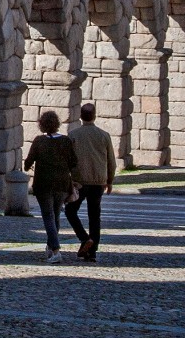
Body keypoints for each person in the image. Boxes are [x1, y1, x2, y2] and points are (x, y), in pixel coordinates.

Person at [24, 112, 78, 262]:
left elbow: (28, 161)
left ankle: (55, 250)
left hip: (44, 184)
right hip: (62, 183)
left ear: (41, 124)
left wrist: (27, 166)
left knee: (48, 215)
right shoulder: (66, 141)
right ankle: (50, 247)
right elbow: (74, 162)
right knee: (55, 215)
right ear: (57, 123)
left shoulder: (39, 141)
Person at [66, 102, 116, 262]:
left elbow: (68, 160)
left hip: (79, 181)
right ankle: (92, 252)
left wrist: (69, 179)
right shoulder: (104, 135)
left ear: (80, 116)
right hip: (98, 181)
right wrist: (109, 180)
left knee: (70, 211)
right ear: (94, 116)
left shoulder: (73, 135)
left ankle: (84, 238)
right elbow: (111, 161)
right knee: (94, 216)